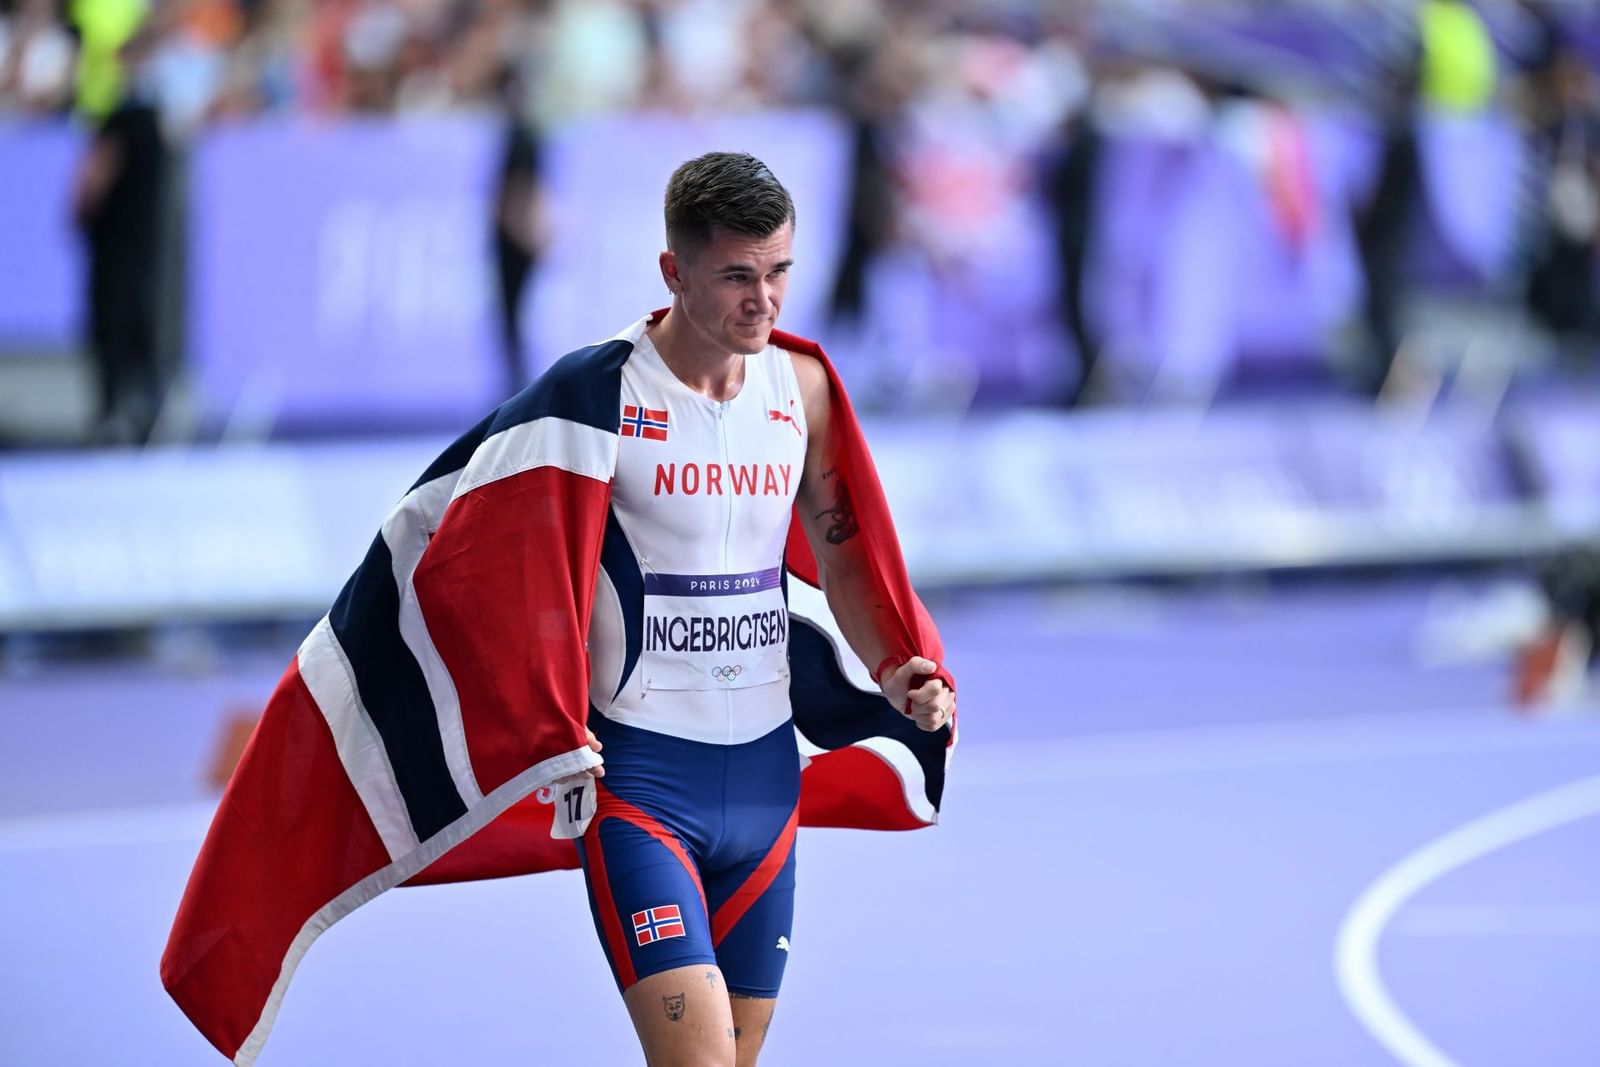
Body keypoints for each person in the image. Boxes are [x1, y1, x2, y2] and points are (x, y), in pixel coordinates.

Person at [161, 152, 956, 1067]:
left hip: (767, 785)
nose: (764, 301)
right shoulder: (595, 396)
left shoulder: (800, 387)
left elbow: (847, 558)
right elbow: (462, 544)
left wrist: (895, 665)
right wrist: (538, 707)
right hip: (643, 786)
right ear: (674, 271)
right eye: (737, 276)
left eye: (779, 271)